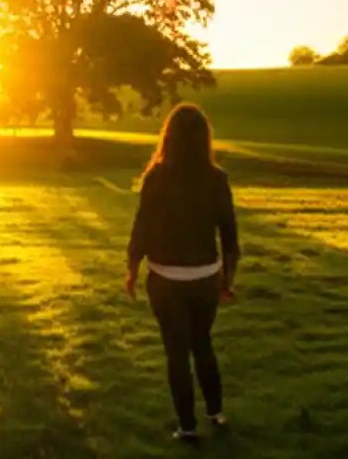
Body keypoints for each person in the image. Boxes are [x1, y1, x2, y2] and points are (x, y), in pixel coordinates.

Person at [125, 103, 240, 441]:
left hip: (164, 278)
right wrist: (227, 282)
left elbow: (141, 228)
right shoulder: (217, 179)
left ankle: (187, 427)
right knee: (203, 343)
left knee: (176, 352)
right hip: (206, 277)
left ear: (169, 137)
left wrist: (132, 269)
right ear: (205, 138)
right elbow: (230, 235)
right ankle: (216, 412)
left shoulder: (156, 177)